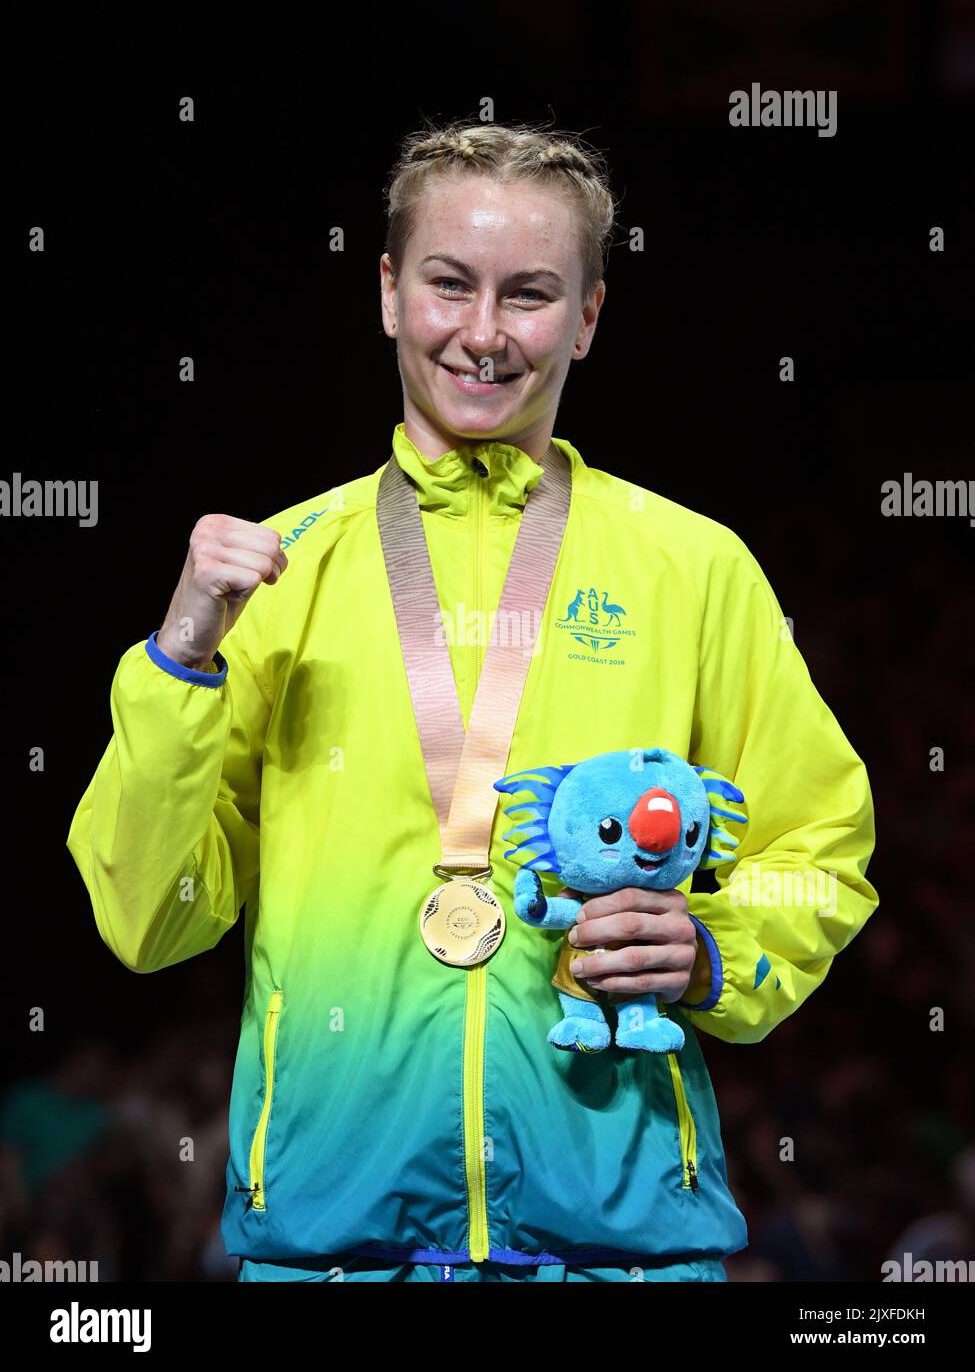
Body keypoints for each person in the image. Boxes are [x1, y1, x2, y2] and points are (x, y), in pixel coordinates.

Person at [66, 120, 879, 1284]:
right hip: (329, 1254)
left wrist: (716, 949)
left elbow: (822, 846)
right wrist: (181, 659)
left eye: (531, 294)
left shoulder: (695, 570)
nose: (484, 335)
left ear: (589, 316)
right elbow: (149, 919)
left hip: (626, 1253)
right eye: (450, 283)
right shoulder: (280, 575)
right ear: (390, 292)